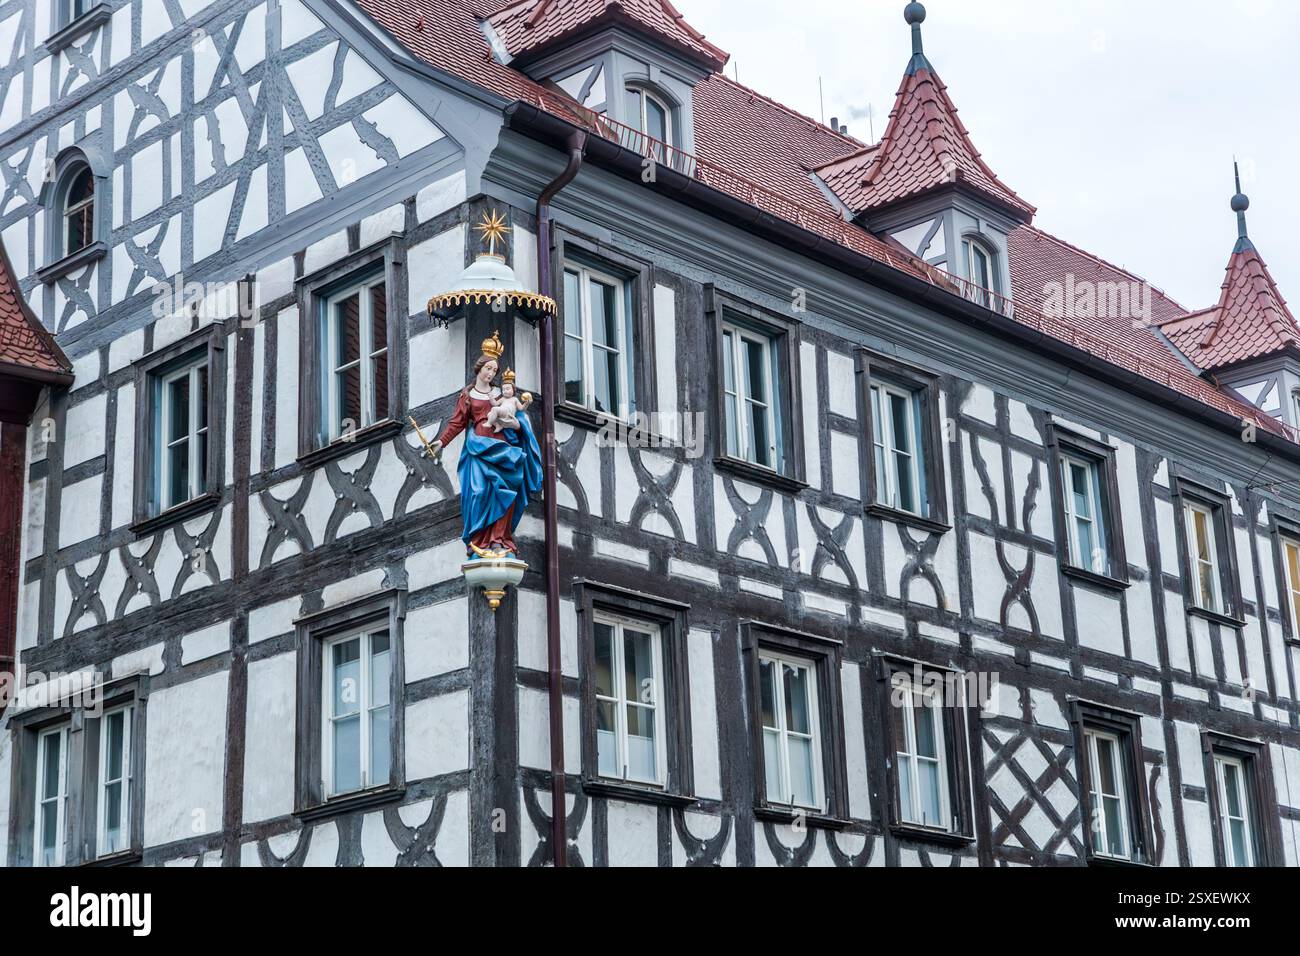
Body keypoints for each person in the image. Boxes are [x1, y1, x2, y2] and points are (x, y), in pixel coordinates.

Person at [427, 333, 542, 559]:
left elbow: (520, 419)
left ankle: (499, 539)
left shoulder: (501, 395)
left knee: (505, 491)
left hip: (502, 446)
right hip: (478, 448)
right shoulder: (468, 396)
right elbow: (457, 422)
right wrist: (441, 441)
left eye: (494, 370)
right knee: (478, 492)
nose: (490, 373)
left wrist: (518, 424)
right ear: (479, 368)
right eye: (488, 368)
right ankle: (479, 540)